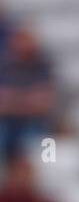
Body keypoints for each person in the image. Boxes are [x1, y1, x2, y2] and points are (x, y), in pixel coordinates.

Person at [0, 28, 57, 159]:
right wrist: (27, 100)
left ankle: (40, 174)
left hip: (36, 123)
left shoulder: (43, 66)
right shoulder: (4, 66)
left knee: (46, 145)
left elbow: (44, 103)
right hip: (6, 122)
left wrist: (13, 100)